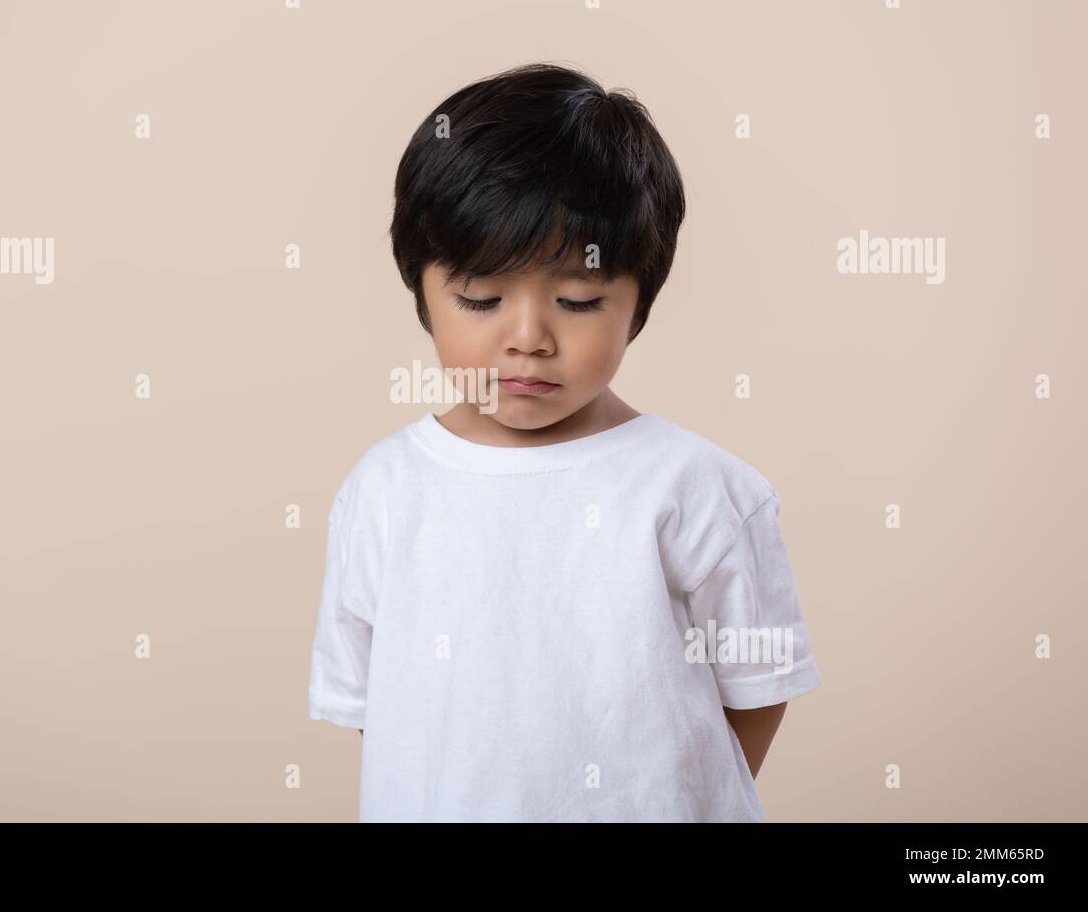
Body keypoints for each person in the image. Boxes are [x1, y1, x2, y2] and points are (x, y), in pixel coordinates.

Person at [307, 62, 822, 821]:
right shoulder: (384, 490)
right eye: (481, 298)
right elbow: (373, 705)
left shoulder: (697, 488)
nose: (527, 340)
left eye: (578, 300)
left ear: (638, 301)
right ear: (420, 288)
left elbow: (758, 690)